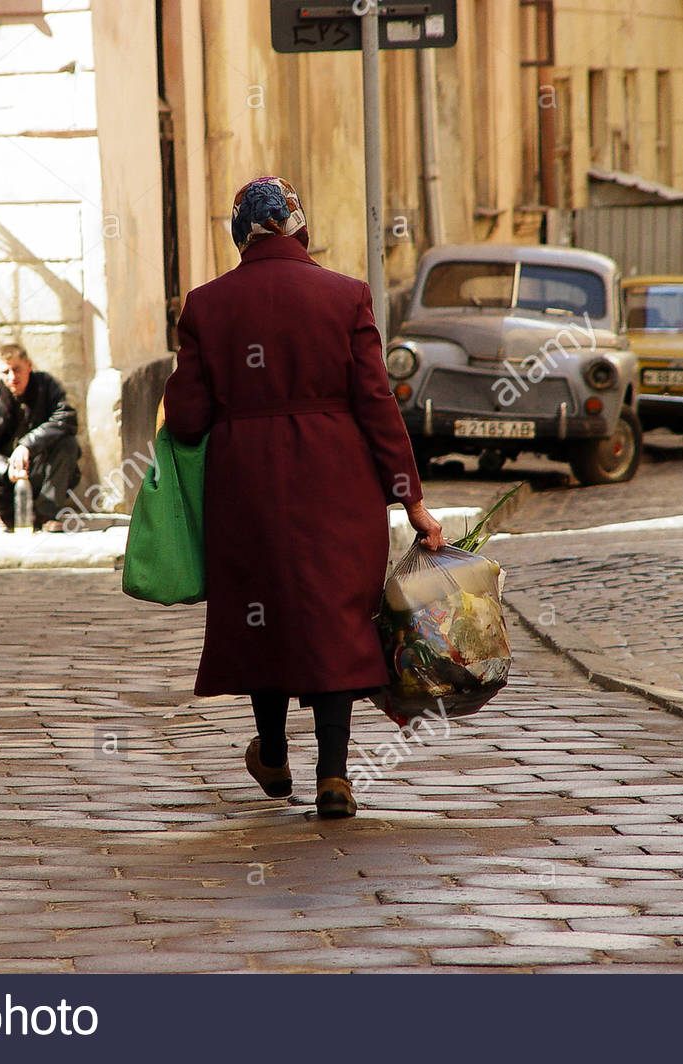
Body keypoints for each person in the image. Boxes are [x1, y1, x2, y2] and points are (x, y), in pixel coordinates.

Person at [163, 176, 445, 819]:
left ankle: (271, 752)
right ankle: (335, 776)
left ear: (240, 235)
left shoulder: (206, 305)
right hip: (337, 484)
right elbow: (377, 404)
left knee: (263, 614)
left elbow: (185, 419)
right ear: (298, 227)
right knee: (334, 618)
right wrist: (412, 501)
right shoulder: (346, 296)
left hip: (246, 488)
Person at [0, 343, 81, 532]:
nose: (12, 377)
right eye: (5, 372)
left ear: (29, 366)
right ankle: (8, 513)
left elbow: (67, 418)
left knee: (68, 445)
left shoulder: (47, 386)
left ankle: (46, 513)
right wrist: (7, 467)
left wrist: (27, 445)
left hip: (41, 469)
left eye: (17, 370)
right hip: (5, 477)